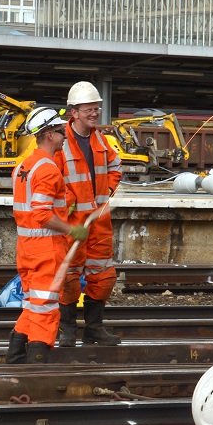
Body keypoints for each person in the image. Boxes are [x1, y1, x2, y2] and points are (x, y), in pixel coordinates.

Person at [7, 107, 88, 364]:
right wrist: (72, 229)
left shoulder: (23, 166)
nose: (64, 136)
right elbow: (42, 213)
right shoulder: (48, 169)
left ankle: (16, 357)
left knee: (32, 304)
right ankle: (36, 365)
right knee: (46, 308)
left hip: (27, 247)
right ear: (49, 135)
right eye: (60, 131)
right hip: (46, 249)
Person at [55, 81, 123, 346]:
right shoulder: (61, 142)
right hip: (73, 224)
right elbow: (50, 178)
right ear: (74, 112)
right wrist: (67, 201)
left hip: (99, 222)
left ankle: (94, 329)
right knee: (70, 277)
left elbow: (116, 165)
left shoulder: (100, 140)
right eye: (88, 110)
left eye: (96, 109)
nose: (94, 114)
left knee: (104, 276)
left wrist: (105, 191)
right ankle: (67, 329)